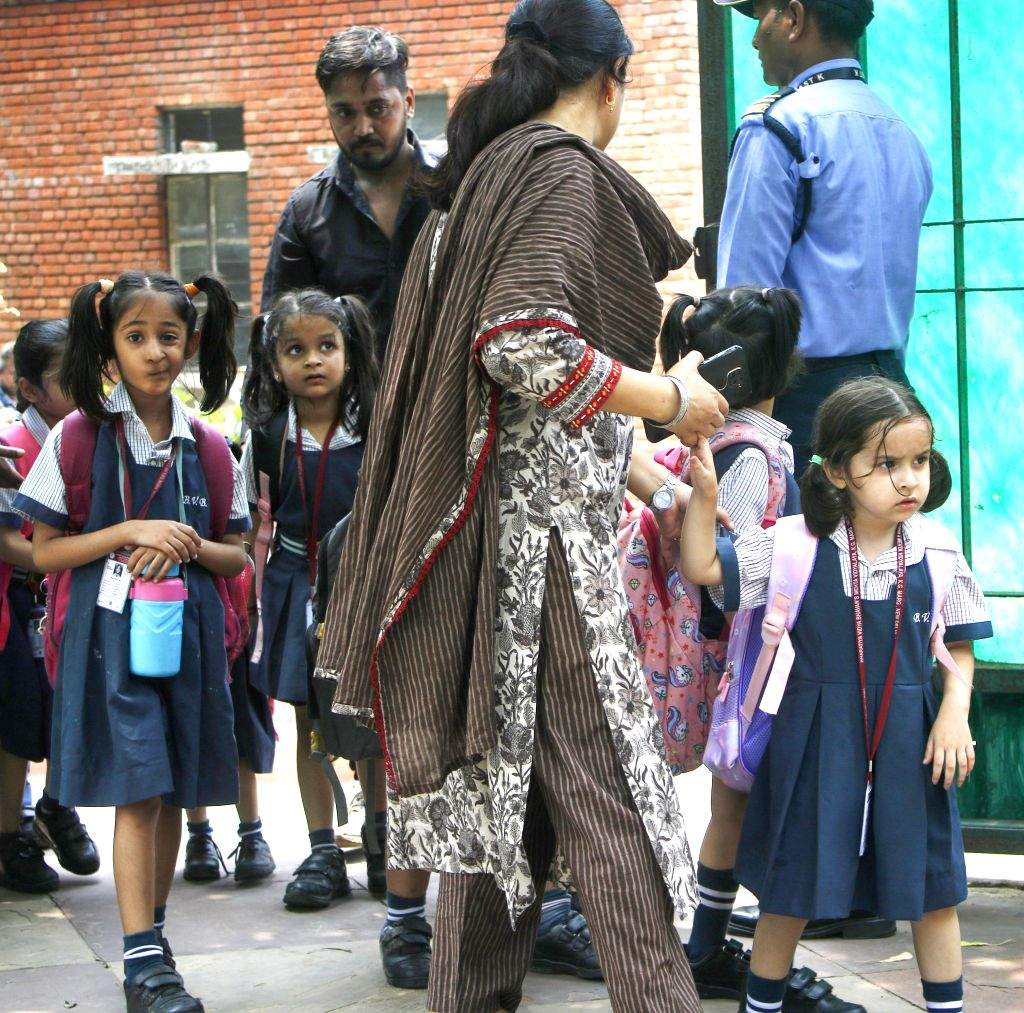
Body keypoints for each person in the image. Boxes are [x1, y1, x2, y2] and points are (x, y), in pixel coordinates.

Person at [316, 1, 730, 1009]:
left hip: (486, 550)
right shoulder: (553, 165)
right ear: (612, 77)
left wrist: (649, 474)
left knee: (503, 815)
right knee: (615, 807)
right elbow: (524, 343)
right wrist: (669, 398)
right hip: (541, 560)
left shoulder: (479, 182)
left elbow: (507, 397)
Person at [679, 377, 991, 1013]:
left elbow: (958, 643)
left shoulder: (937, 552)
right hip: (813, 744)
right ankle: (760, 1004)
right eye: (888, 464)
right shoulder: (794, 545)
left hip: (913, 746)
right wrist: (706, 497)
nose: (909, 480)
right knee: (790, 894)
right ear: (839, 471)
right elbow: (704, 567)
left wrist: (954, 714)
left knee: (932, 894)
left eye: (919, 461)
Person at [14, 271, 250, 1013]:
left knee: (174, 787)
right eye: (136, 336)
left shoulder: (209, 445)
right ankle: (143, 966)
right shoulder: (75, 439)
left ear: (193, 343)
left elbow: (236, 552)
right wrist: (128, 532)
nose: (155, 351)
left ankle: (153, 941)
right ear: (109, 346)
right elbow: (44, 550)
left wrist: (184, 545)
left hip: (187, 635)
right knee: (141, 788)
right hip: (105, 644)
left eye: (169, 336)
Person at [713, 0, 932, 483]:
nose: (753, 39)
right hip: (893, 394)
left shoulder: (778, 127)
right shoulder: (902, 133)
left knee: (793, 555)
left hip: (806, 407)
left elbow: (744, 305)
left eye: (761, 18)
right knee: (876, 553)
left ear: (792, 17)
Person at [237, 289, 378, 913]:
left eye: (327, 346)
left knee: (374, 719)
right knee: (308, 721)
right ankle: (321, 850)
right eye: (296, 350)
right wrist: (254, 602)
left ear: (349, 353)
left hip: (364, 584)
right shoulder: (266, 438)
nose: (313, 361)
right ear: (273, 362)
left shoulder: (377, 425)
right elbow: (255, 525)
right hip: (294, 584)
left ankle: (381, 840)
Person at [0, 319, 99, 894]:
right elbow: (6, 538)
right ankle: (12, 833)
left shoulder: (85, 438)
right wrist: (64, 556)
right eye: (69, 376)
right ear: (32, 389)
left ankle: (57, 806)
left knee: (69, 707)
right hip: (20, 604)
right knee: (19, 723)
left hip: (63, 598)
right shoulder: (16, 444)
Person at [260, 27, 432, 358]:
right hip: (353, 407)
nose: (362, 128)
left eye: (378, 108)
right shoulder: (306, 212)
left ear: (408, 101)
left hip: (449, 402)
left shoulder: (460, 186)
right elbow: (278, 333)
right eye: (344, 113)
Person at [182, 482, 276, 887]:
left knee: (241, 730)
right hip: (173, 615)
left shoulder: (215, 455)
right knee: (188, 731)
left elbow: (241, 550)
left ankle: (251, 833)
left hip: (233, 614)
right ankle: (198, 837)